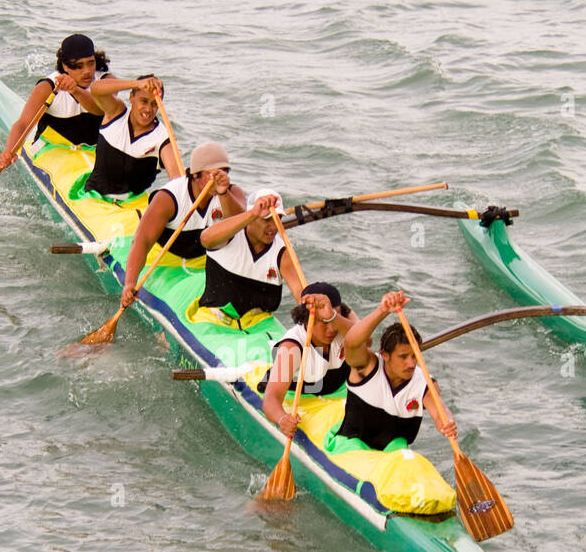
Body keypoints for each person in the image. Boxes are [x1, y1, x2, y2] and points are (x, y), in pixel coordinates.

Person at [119, 142, 246, 308]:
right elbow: (143, 241)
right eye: (212, 173)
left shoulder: (232, 193)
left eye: (224, 172)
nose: (219, 178)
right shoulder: (168, 198)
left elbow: (240, 224)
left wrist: (224, 194)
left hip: (203, 255)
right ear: (195, 175)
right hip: (167, 252)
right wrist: (130, 283)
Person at [333, 291, 457, 451]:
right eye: (403, 356)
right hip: (350, 446)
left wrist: (447, 422)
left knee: (397, 445)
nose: (411, 364)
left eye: (415, 356)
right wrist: (382, 310)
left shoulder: (423, 382)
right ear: (385, 355)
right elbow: (351, 343)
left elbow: (440, 409)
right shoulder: (366, 367)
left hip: (392, 456)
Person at [0, 33, 109, 167]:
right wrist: (9, 150)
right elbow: (23, 124)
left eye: (91, 63)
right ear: (65, 66)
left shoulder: (106, 81)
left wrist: (75, 90)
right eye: (79, 66)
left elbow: (99, 109)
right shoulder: (47, 87)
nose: (87, 71)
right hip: (52, 149)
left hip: (93, 150)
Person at [195, 189, 303, 325]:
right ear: (251, 218)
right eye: (267, 219)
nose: (273, 227)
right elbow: (205, 239)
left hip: (259, 325)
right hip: (215, 318)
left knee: (285, 347)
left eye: (277, 219)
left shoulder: (283, 253)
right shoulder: (230, 236)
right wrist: (252, 213)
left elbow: (301, 294)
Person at [260, 283, 356, 435]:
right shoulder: (292, 348)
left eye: (333, 319)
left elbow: (366, 340)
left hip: (332, 391)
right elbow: (271, 399)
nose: (331, 329)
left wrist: (333, 315)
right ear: (305, 319)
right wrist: (282, 419)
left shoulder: (343, 328)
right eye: (323, 322)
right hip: (297, 394)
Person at [88, 71, 178, 197]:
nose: (148, 109)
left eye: (154, 104)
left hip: (132, 205)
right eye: (144, 101)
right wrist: (137, 84)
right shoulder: (116, 112)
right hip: (93, 196)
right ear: (131, 97)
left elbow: (177, 180)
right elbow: (95, 89)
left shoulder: (162, 137)